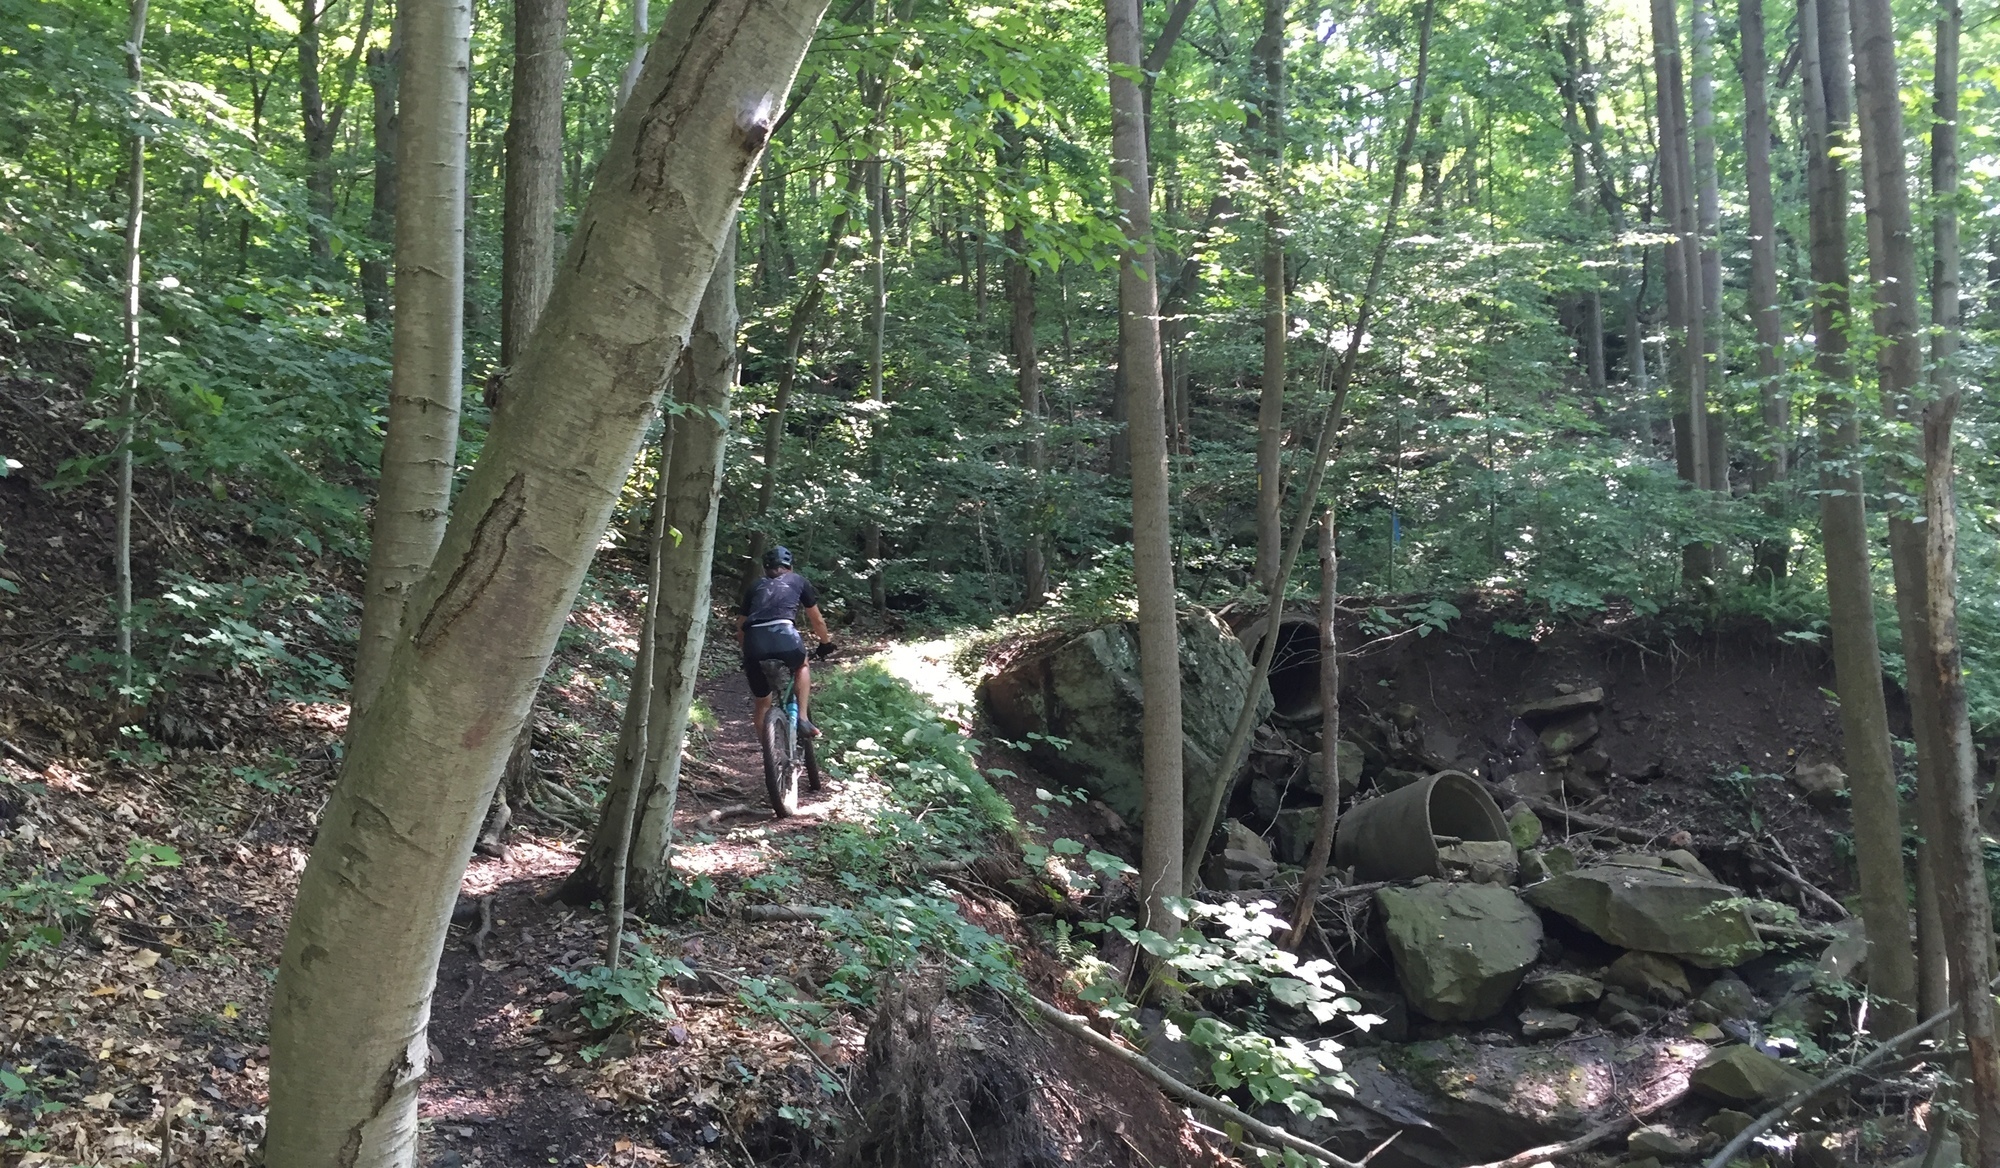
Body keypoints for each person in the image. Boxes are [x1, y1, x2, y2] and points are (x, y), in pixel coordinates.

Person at [739, 545, 834, 735]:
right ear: (789, 566)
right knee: (802, 665)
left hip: (754, 640)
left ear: (765, 568)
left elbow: (740, 626)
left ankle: (770, 755)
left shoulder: (754, 586)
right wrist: (825, 643)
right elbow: (817, 620)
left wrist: (747, 651)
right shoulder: (798, 581)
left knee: (762, 704)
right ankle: (803, 719)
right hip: (785, 636)